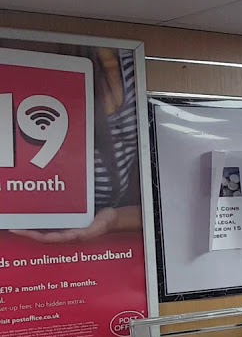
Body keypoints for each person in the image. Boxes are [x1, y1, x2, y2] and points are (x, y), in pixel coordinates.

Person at [8, 45, 142, 244]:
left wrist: (112, 221)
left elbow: (166, 201)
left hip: (112, 239)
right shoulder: (25, 60)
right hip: (18, 241)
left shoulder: (136, 62)